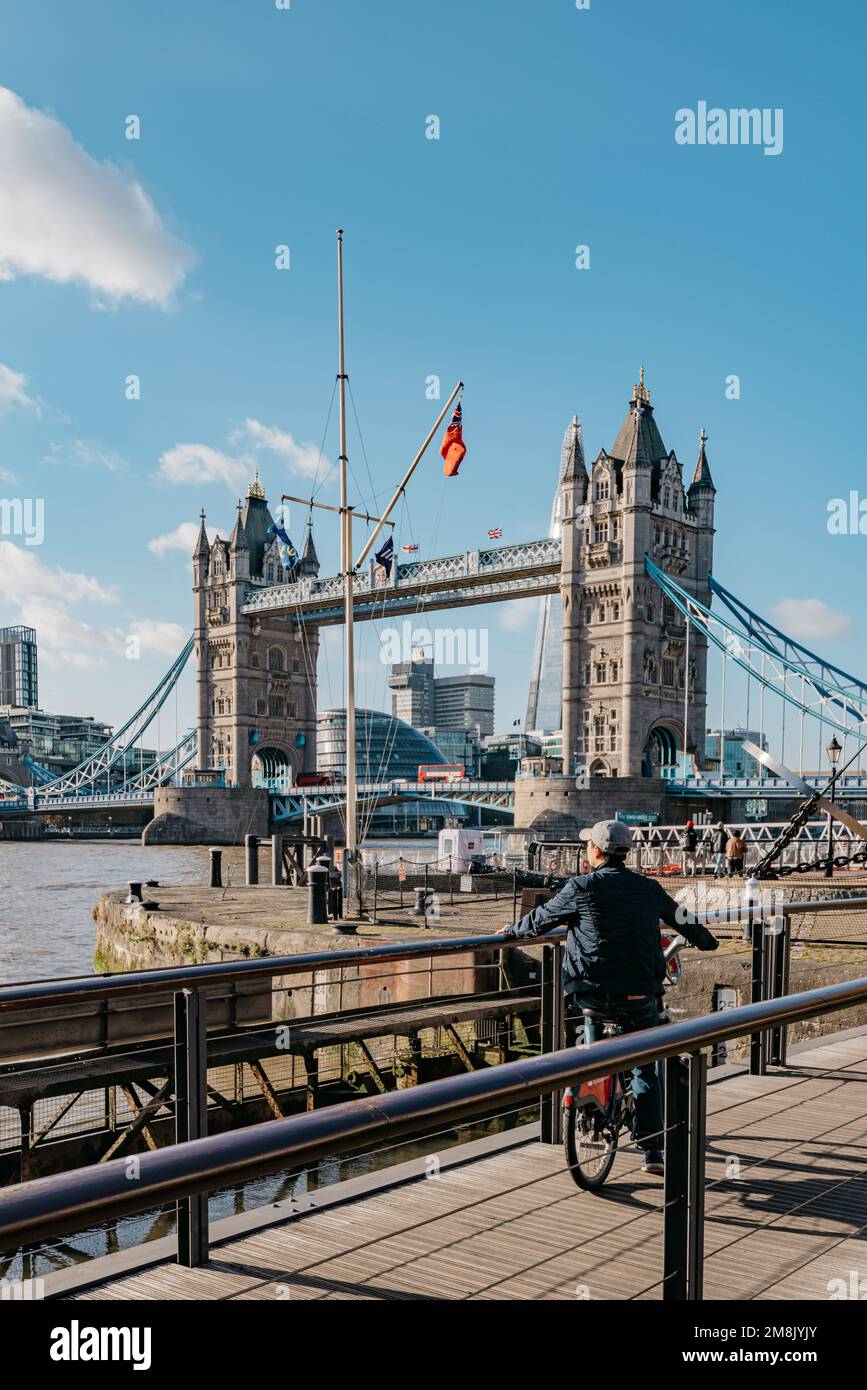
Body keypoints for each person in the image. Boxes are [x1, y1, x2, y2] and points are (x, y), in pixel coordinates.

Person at [498, 819, 719, 1176]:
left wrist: (510, 931)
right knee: (644, 1064)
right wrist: (706, 940)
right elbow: (683, 919)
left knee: (593, 1046)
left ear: (596, 852)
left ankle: (594, 1101)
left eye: (588, 846)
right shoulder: (649, 888)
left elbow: (541, 918)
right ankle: (652, 1150)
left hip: (591, 991)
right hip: (639, 993)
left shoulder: (581, 887)